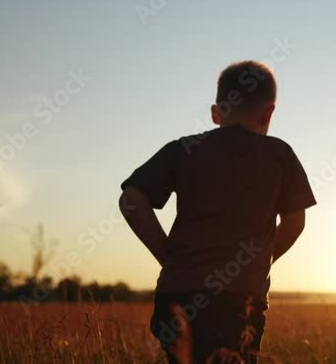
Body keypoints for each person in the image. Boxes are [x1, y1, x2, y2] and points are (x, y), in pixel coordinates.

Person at [119, 60, 316, 363]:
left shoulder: (183, 149)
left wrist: (167, 254)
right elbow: (295, 221)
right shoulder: (279, 154)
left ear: (216, 113)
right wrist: (264, 257)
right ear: (269, 112)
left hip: (177, 294)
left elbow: (131, 199)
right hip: (238, 298)